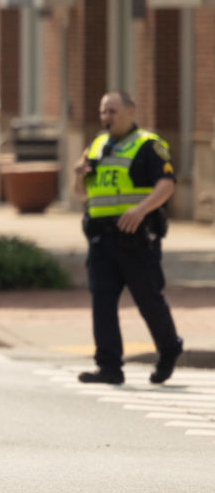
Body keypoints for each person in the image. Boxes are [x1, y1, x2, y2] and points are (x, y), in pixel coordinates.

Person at [75, 90, 185, 386]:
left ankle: (169, 347)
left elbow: (167, 183)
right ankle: (109, 366)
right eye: (102, 112)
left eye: (112, 111)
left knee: (148, 299)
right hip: (101, 239)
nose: (106, 118)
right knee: (102, 302)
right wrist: (77, 176)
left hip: (135, 237)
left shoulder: (148, 144)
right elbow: (81, 193)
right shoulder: (96, 145)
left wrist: (141, 210)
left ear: (130, 112)